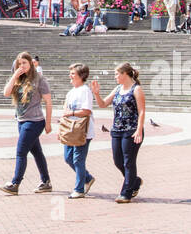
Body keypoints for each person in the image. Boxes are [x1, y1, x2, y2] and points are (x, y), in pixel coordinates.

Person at [0, 51, 53, 195]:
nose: (22, 66)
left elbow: (48, 102)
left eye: (24, 63)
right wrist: (14, 76)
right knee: (37, 152)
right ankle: (46, 182)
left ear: (31, 64)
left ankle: (15, 183)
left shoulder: (39, 79)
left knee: (21, 152)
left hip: (34, 121)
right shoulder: (18, 78)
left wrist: (48, 123)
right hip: (21, 121)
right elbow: (6, 93)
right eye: (19, 63)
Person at [91, 62, 145, 203]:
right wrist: (96, 94)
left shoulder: (136, 89)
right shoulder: (117, 89)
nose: (115, 76)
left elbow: (142, 111)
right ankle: (135, 181)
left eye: (116, 74)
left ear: (124, 74)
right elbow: (103, 104)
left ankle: (126, 192)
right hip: (117, 130)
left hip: (131, 130)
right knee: (118, 161)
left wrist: (139, 129)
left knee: (128, 161)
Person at [60, 63, 96, 198]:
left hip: (82, 130)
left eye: (73, 73)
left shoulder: (85, 91)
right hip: (70, 129)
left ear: (81, 76)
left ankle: (79, 189)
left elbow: (86, 111)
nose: (70, 75)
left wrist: (71, 113)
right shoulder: (71, 92)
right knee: (68, 157)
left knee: (78, 159)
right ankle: (87, 178)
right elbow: (65, 111)